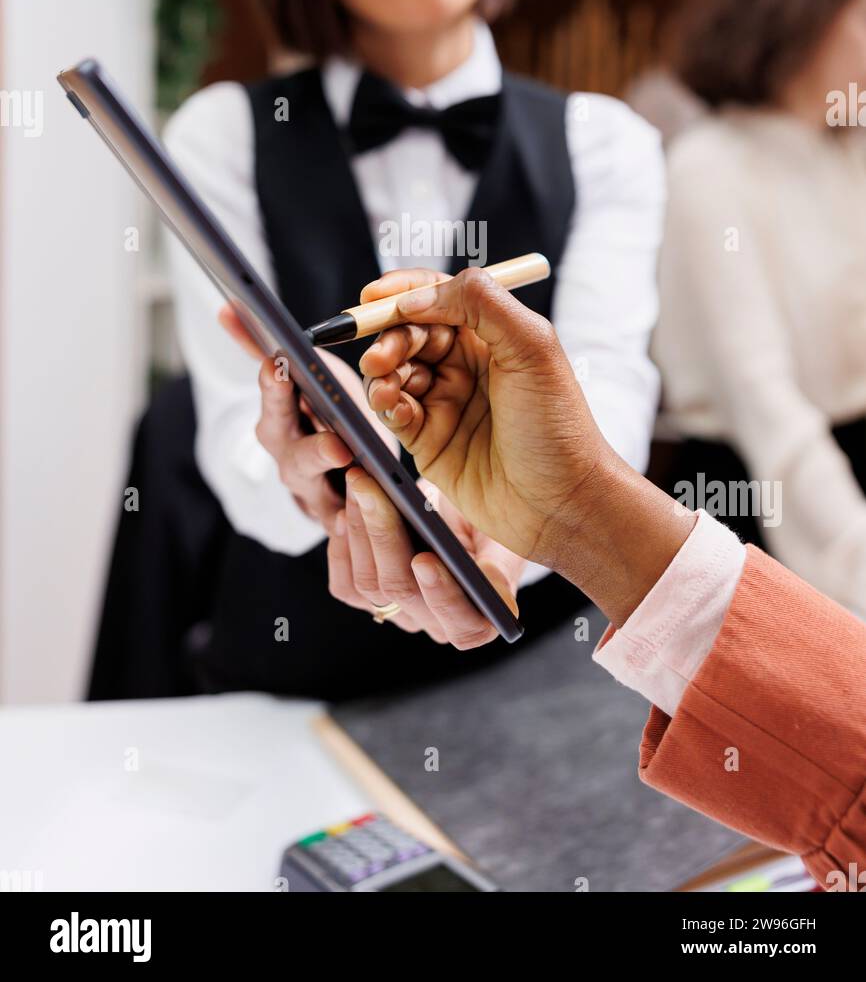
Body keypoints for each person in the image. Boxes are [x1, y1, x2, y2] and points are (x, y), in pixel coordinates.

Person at [152, 0, 664, 697]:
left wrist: (506, 541)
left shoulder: (606, 142)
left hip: (534, 659)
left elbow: (609, 393)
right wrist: (304, 487)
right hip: (296, 665)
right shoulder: (221, 133)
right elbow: (231, 432)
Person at [233, 266, 864, 888]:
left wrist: (573, 509)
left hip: (565, 663)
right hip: (314, 687)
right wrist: (578, 506)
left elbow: (615, 362)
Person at [651, 0, 866, 617]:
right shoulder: (711, 164)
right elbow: (764, 402)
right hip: (759, 499)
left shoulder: (851, 150)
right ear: (801, 14)